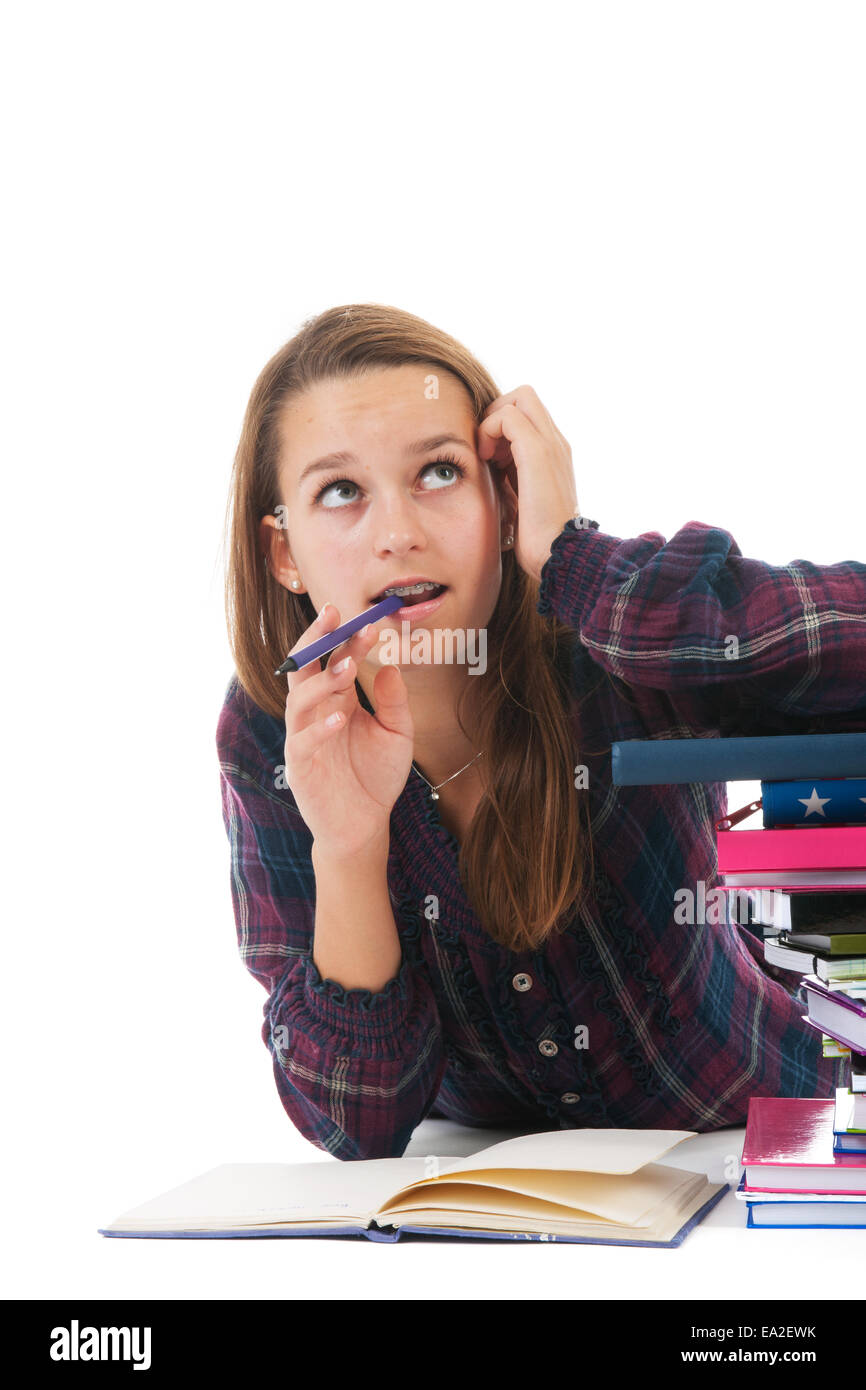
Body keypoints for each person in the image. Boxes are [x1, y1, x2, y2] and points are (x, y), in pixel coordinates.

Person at [216, 302, 866, 1161]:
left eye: (439, 473)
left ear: (507, 495)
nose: (399, 535)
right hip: (504, 1234)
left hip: (763, 1164)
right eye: (341, 492)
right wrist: (348, 846)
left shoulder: (614, 637)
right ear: (284, 554)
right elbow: (356, 1124)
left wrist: (575, 558)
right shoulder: (273, 734)